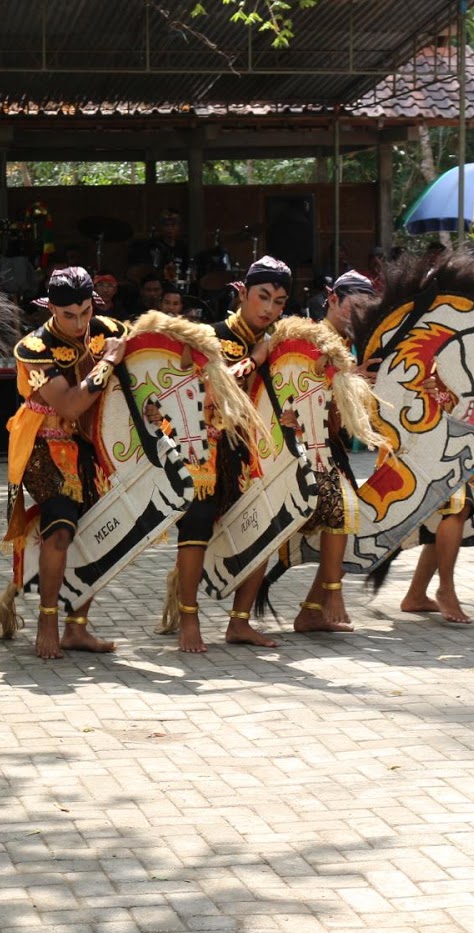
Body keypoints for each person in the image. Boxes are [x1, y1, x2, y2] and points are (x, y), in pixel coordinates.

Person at [0, 267, 128, 659]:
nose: (79, 322)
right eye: (68, 315)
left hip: (95, 442)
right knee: (60, 528)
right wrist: (107, 363)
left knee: (99, 531)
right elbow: (70, 405)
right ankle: (47, 621)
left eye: (85, 312)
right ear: (50, 307)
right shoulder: (34, 348)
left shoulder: (110, 330)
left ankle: (78, 628)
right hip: (44, 442)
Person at [167, 256, 293, 653]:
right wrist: (258, 357)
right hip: (204, 449)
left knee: (267, 528)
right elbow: (220, 385)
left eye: (279, 301)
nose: (270, 308)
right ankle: (189, 617)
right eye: (263, 296)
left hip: (253, 451)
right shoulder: (209, 336)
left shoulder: (280, 345)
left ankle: (240, 622)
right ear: (242, 292)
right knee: (197, 526)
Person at [293, 270, 375, 633]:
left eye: (364, 309)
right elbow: (305, 388)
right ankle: (332, 594)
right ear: (332, 299)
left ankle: (312, 609)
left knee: (349, 515)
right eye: (351, 306)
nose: (356, 314)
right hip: (301, 444)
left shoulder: (347, 341)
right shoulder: (314, 337)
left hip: (331, 444)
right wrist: (354, 376)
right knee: (345, 512)